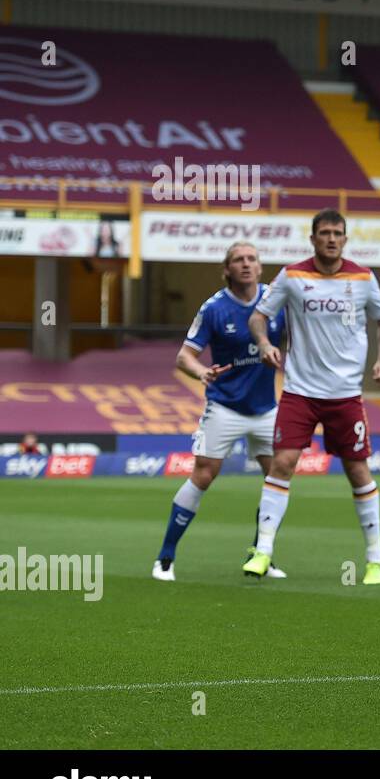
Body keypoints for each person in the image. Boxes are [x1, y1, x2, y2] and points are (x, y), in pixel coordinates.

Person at [244, 209, 380, 585]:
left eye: (337, 233)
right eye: (324, 233)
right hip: (300, 390)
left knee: (357, 469)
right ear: (312, 239)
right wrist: (263, 344)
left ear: (345, 239)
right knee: (282, 463)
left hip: (345, 394)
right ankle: (262, 551)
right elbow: (259, 316)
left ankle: (376, 559)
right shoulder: (293, 275)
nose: (331, 238)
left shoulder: (362, 278)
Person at [152, 242, 286, 582]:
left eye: (251, 259)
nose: (246, 264)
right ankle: (165, 558)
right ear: (226, 269)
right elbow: (184, 356)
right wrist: (201, 372)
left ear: (260, 267)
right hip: (224, 406)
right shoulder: (214, 309)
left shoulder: (276, 300)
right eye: (238, 260)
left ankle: (262, 554)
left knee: (278, 478)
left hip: (266, 408)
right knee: (204, 476)